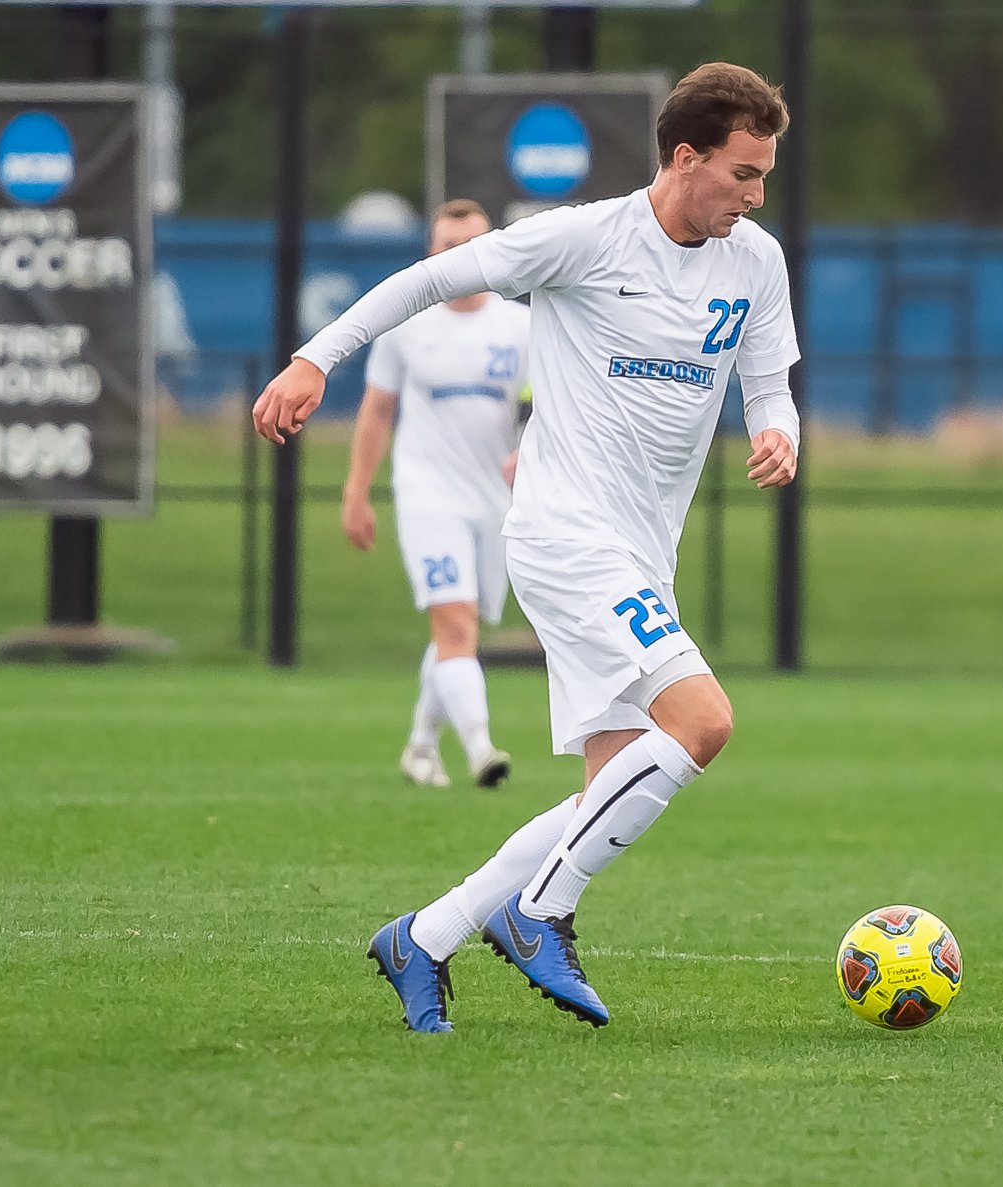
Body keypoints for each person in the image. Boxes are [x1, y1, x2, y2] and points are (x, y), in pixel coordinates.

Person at [255, 62, 799, 1032]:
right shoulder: (585, 238)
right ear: (685, 157)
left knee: (608, 790)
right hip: (565, 536)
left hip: (641, 554)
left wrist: (778, 430)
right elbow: (432, 278)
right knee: (704, 722)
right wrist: (312, 360)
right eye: (743, 173)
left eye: (764, 176)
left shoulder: (754, 260)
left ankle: (423, 935)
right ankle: (539, 908)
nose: (756, 195)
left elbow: (768, 383)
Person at [342, 199, 528, 791]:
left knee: (461, 630)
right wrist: (356, 493)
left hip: (496, 502)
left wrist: (533, 447)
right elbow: (377, 411)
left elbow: (552, 404)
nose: (459, 257)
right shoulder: (408, 325)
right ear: (430, 253)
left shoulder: (522, 325)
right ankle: (480, 749)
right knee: (455, 625)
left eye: (471, 245)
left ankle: (421, 747)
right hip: (427, 494)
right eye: (448, 247)